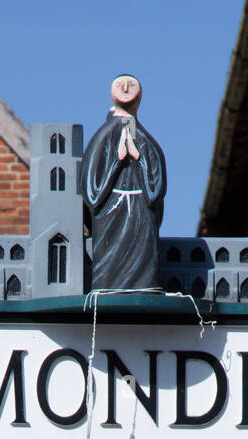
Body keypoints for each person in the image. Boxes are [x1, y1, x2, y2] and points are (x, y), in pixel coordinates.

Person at [80, 74, 166, 291]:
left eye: (132, 85)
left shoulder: (143, 137)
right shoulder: (105, 135)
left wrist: (138, 158)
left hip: (140, 213)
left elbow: (156, 186)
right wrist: (117, 161)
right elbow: (92, 190)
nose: (126, 88)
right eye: (121, 85)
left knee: (142, 259)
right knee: (112, 258)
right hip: (112, 214)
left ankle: (144, 285)